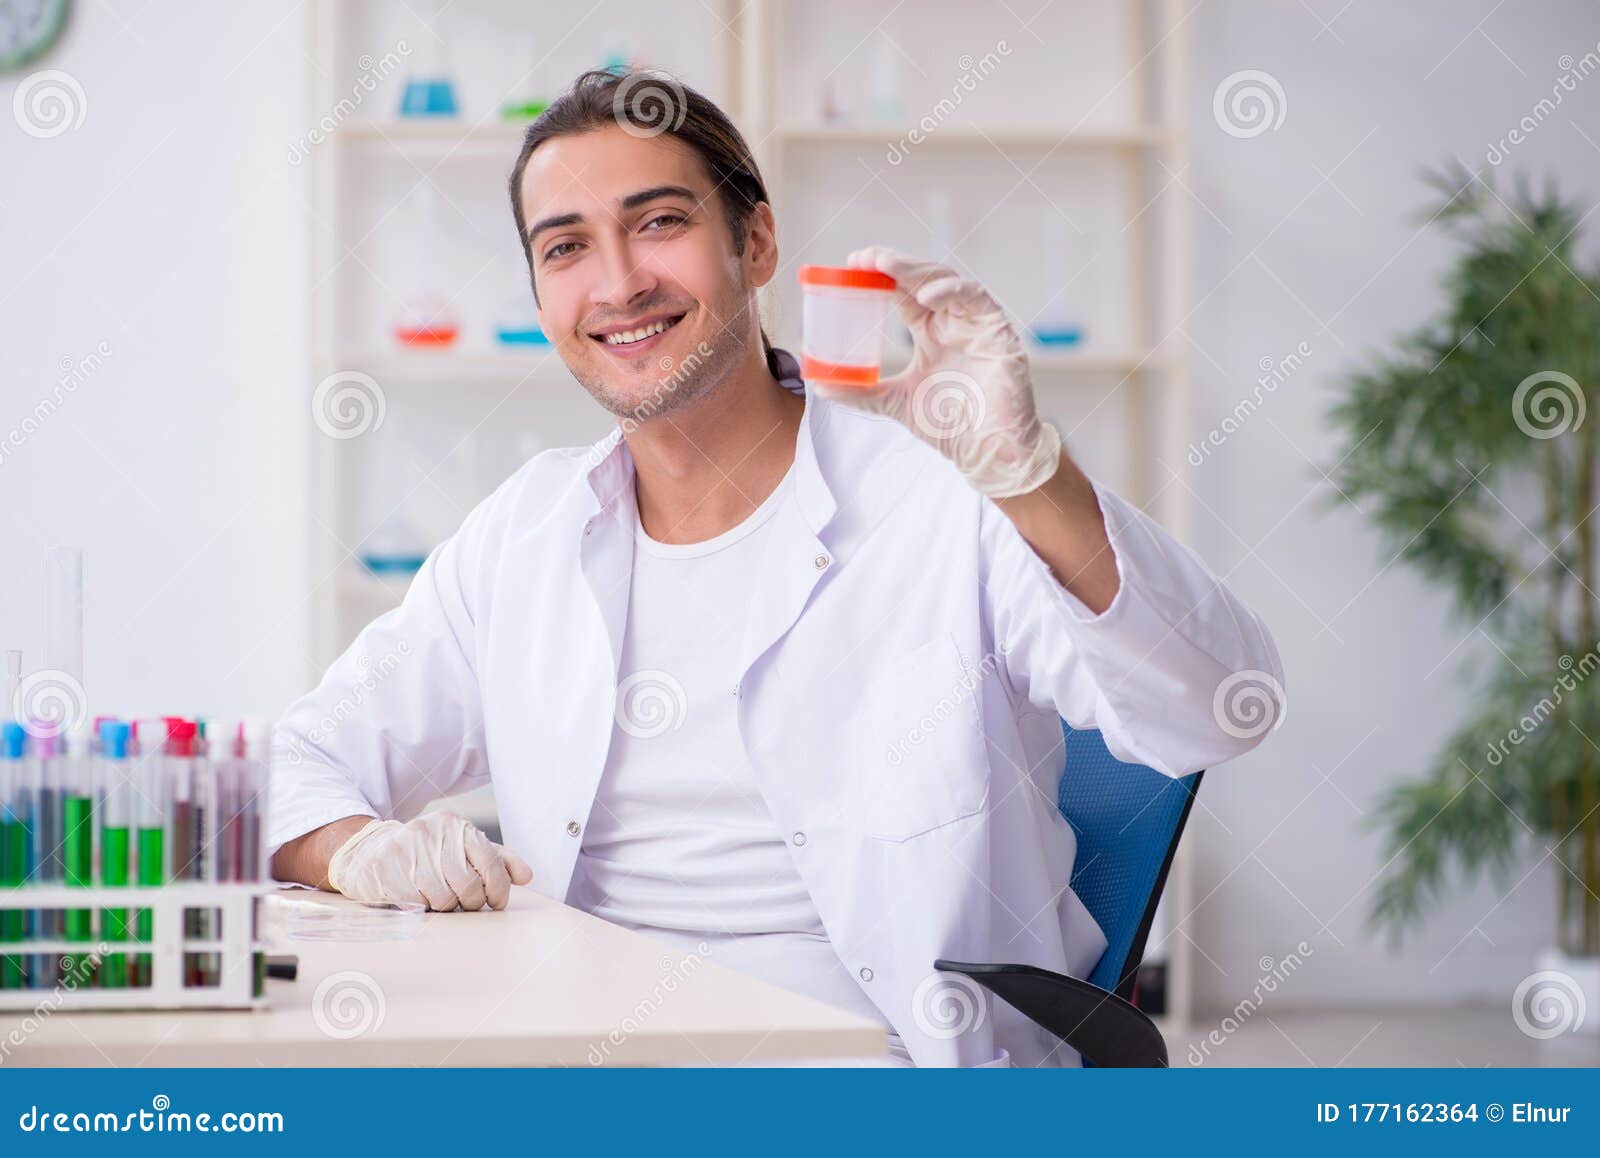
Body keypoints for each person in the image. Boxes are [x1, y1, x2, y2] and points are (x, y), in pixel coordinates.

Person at [268, 68, 1285, 1067]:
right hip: (586, 1053)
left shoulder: (947, 497)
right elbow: (297, 762)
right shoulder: (523, 533)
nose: (618, 284)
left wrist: (1028, 476)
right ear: (538, 293)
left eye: (659, 222)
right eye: (566, 247)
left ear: (754, 242)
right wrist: (355, 848)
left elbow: (1219, 709)